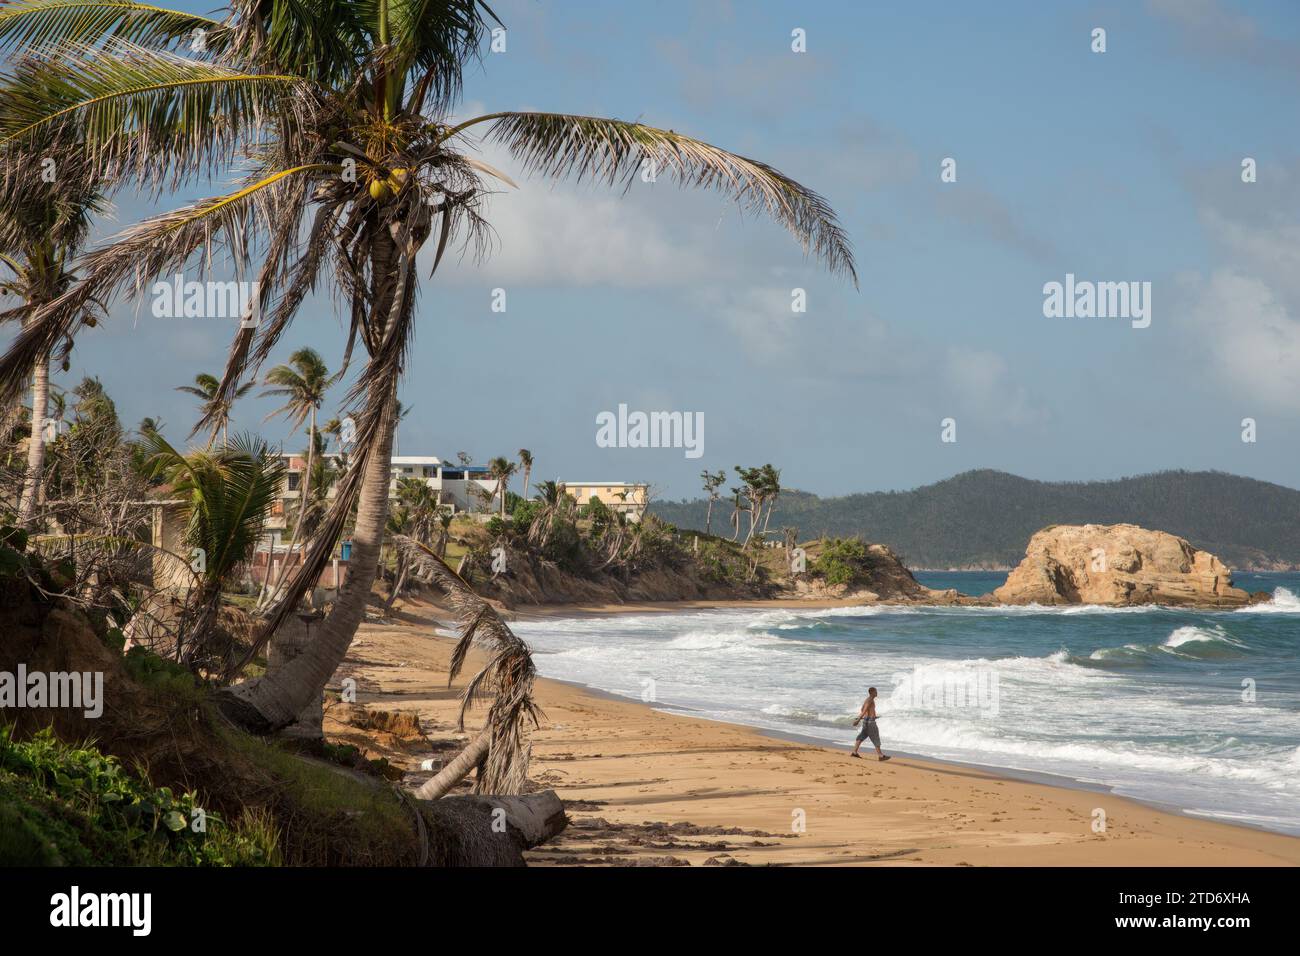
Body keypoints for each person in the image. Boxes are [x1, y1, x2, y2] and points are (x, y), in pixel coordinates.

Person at [851, 687, 890, 761]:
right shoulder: (870, 700)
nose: (877, 693)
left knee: (861, 737)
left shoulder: (868, 700)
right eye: (875, 691)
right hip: (870, 723)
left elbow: (862, 709)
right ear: (872, 692)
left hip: (867, 721)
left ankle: (854, 752)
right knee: (875, 738)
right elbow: (864, 710)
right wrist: (858, 720)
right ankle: (880, 756)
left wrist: (871, 716)